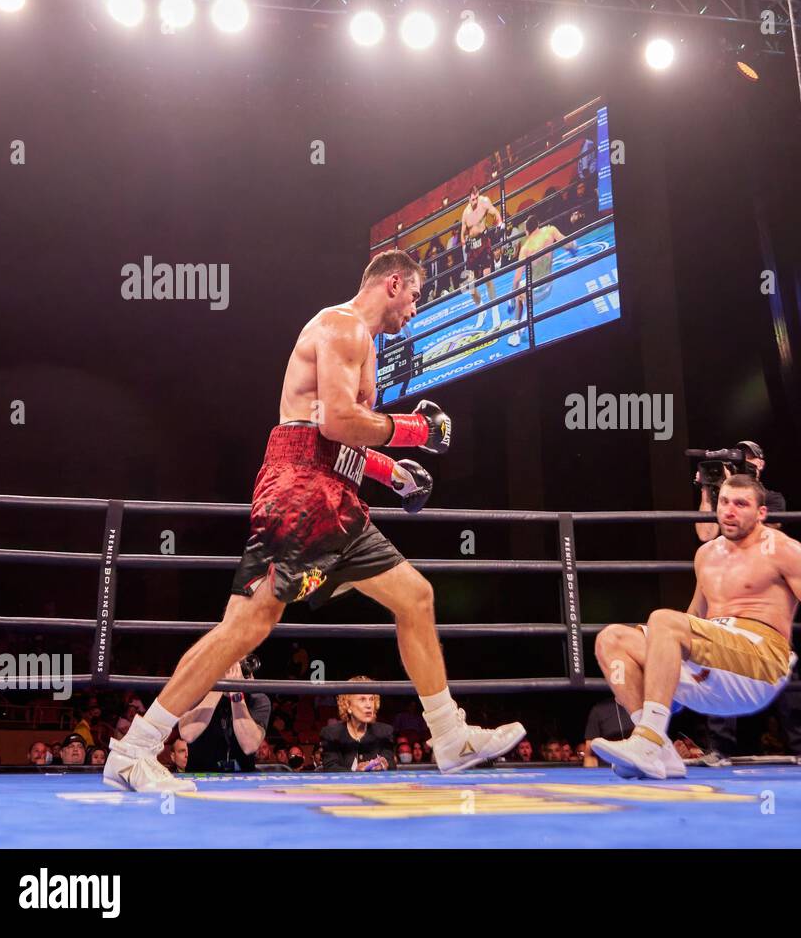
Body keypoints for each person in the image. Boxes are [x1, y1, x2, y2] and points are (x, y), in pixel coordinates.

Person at [103, 250, 523, 792]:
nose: (416, 308)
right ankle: (135, 748)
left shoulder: (362, 344)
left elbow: (336, 435)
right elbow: (339, 421)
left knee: (414, 597)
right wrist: (418, 431)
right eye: (416, 295)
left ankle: (449, 735)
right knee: (246, 628)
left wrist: (393, 472)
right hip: (301, 492)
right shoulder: (342, 326)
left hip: (334, 496)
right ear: (392, 283)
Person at [592, 475, 801, 779]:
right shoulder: (706, 554)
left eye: (741, 504)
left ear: (761, 513)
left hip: (760, 660)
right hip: (713, 662)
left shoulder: (783, 550)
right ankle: (659, 748)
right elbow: (693, 616)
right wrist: (660, 666)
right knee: (611, 639)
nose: (729, 511)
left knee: (663, 619)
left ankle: (648, 740)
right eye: (724, 502)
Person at [692, 443, 801, 766]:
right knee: (716, 669)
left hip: (764, 606)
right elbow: (706, 534)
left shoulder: (769, 499)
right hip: (724, 604)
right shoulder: (723, 503)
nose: (739, 464)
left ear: (759, 463)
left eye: (745, 459)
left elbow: (768, 534)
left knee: (784, 674)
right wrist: (710, 491)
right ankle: (719, 748)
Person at [178, 658, 270, 773]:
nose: (234, 672)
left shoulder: (257, 699)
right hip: (201, 776)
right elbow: (187, 734)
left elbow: (249, 746)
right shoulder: (195, 694)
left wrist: (236, 692)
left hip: (243, 778)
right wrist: (219, 685)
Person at [508, 214, 573, 348]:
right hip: (549, 284)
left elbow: (517, 279)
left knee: (518, 291)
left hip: (535, 291)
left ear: (526, 231)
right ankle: (519, 320)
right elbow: (568, 244)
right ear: (538, 224)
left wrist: (511, 299)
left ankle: (516, 333)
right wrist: (573, 248)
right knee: (523, 289)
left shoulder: (526, 249)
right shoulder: (550, 231)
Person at [318, 678, 396, 772]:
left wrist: (383, 765)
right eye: (362, 699)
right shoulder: (330, 733)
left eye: (371, 699)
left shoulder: (385, 731)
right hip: (344, 786)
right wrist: (355, 772)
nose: (369, 705)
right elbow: (331, 767)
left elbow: (391, 764)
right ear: (348, 705)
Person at [458, 184, 505, 329]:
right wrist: (464, 243)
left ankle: (495, 312)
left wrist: (500, 223)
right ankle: (481, 310)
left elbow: (495, 213)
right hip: (472, 247)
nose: (475, 201)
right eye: (473, 199)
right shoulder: (465, 213)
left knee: (487, 278)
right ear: (468, 199)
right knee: (470, 284)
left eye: (476, 198)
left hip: (484, 243)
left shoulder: (484, 202)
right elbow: (462, 233)